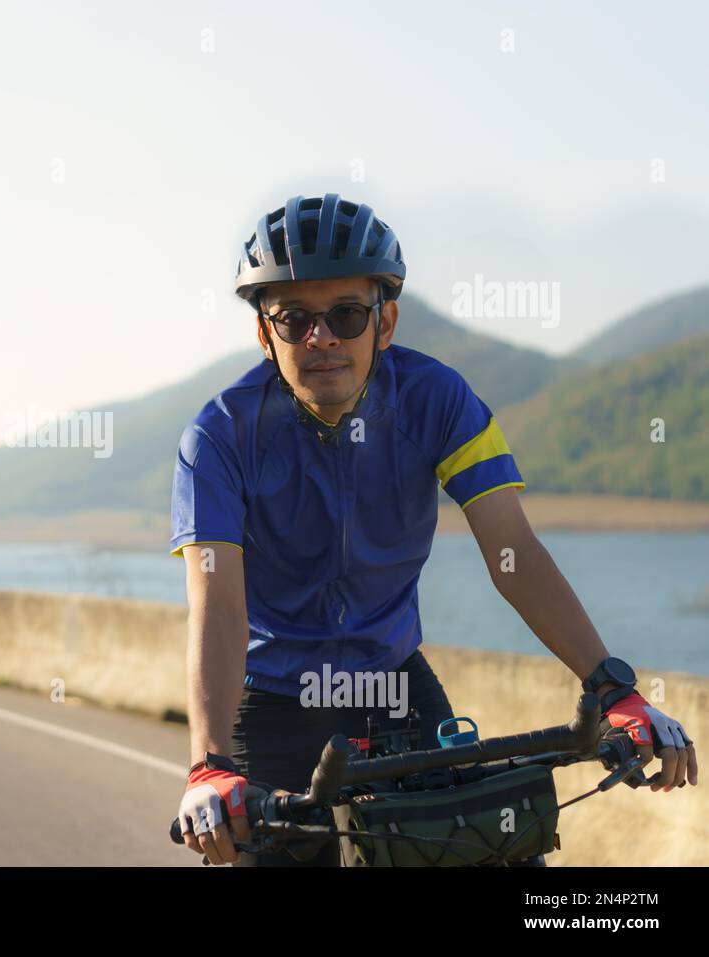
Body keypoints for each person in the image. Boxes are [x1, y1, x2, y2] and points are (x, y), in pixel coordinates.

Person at [171, 193, 698, 866]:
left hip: (397, 689)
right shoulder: (217, 437)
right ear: (264, 334)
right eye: (294, 318)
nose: (321, 337)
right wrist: (209, 763)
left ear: (384, 321)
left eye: (346, 314)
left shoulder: (438, 399)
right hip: (276, 705)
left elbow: (513, 554)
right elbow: (218, 605)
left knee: (490, 848)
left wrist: (612, 686)